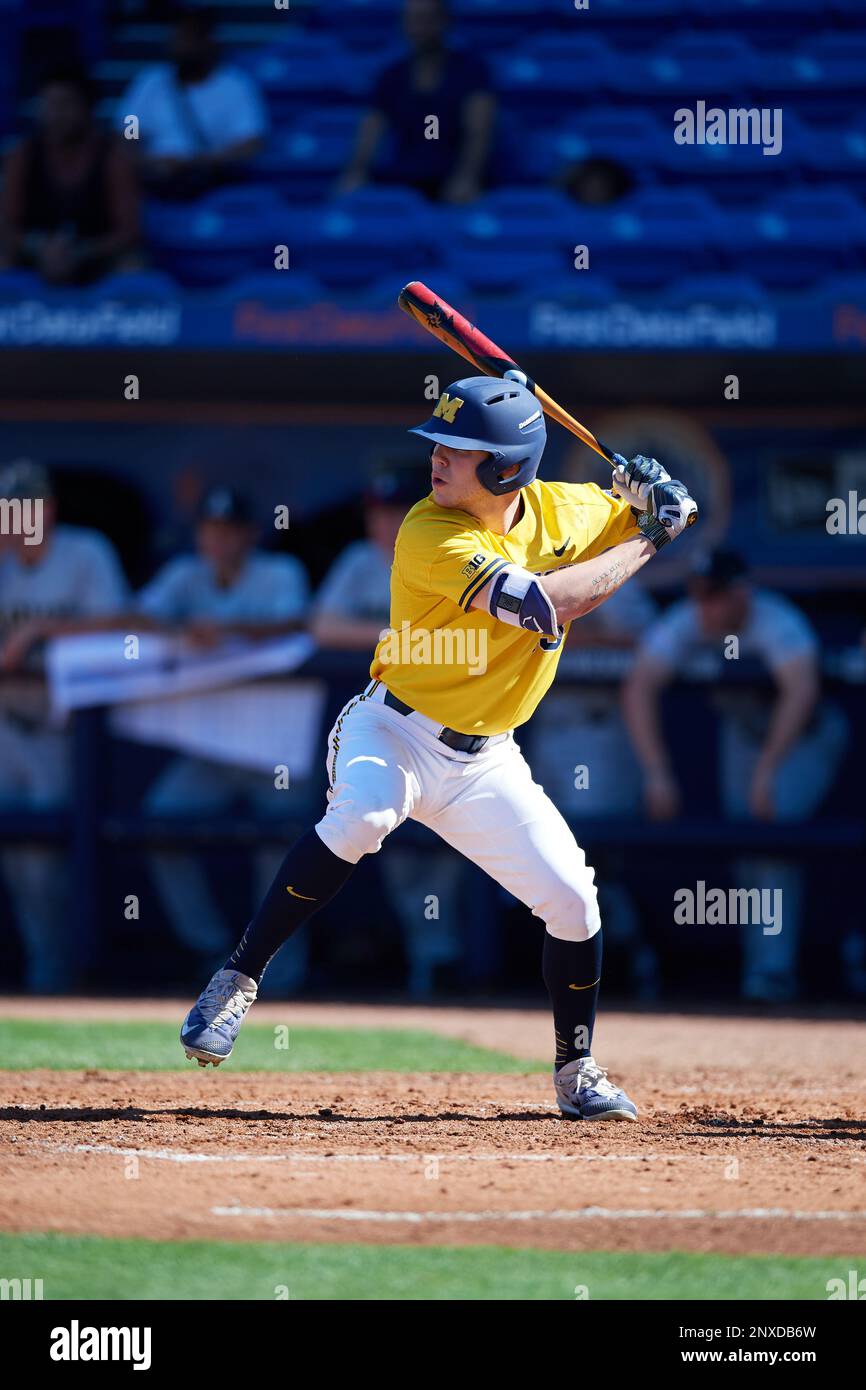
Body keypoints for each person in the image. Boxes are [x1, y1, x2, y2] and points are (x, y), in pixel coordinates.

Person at [178, 382, 698, 1121]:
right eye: (440, 443)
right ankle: (237, 978)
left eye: (461, 449)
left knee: (574, 904)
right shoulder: (429, 532)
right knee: (364, 818)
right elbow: (550, 604)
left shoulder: (570, 511)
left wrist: (655, 499)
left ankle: (575, 1071)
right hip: (394, 728)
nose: (439, 458)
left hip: (486, 758)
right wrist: (654, 534)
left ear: (508, 471)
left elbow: (653, 514)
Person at [622, 548, 847, 1003]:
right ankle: (757, 967)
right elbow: (639, 685)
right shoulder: (689, 618)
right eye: (700, 594)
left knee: (770, 840)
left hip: (804, 737)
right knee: (745, 852)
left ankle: (774, 973)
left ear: (741, 591)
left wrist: (767, 772)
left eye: (716, 595)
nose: (706, 605)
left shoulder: (776, 620)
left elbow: (801, 690)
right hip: (744, 735)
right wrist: (657, 773)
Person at [135, 486, 311, 989]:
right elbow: (135, 616)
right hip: (212, 747)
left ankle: (280, 972)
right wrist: (181, 631)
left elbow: (301, 623)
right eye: (211, 529)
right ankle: (209, 948)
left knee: (288, 851)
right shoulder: (185, 575)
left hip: (274, 749)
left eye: (230, 530)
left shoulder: (281, 573)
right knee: (160, 823)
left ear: (250, 535)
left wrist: (229, 630)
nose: (220, 539)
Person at [313, 466, 466, 996]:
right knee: (385, 841)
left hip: (449, 724)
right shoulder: (360, 562)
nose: (384, 523)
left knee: (451, 845)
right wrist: (395, 639)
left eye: (394, 511)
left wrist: (397, 641)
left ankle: (448, 959)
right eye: (376, 513)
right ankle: (430, 962)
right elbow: (323, 626)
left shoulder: (447, 545)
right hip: (384, 723)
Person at [0, 460, 128, 991]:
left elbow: (124, 621)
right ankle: (41, 967)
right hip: (7, 722)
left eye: (26, 505)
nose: (15, 518)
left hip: (66, 729)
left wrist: (37, 631)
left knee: (49, 856)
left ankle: (62, 974)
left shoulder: (85, 551)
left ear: (48, 509)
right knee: (18, 851)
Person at [336, 0, 496, 203]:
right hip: (404, 179)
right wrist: (356, 171)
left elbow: (479, 131)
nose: (419, 27)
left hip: (452, 178)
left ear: (444, 22)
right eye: (413, 20)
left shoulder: (472, 71)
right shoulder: (391, 77)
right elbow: (370, 132)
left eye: (427, 19)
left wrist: (467, 177)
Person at [1, 64, 140, 284]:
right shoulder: (22, 157)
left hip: (96, 257)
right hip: (36, 255)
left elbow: (128, 232)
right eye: (48, 105)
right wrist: (39, 247)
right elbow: (7, 226)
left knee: (132, 268)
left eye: (64, 105)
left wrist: (81, 252)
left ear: (88, 108)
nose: (55, 114)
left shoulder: (114, 159)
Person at [118, 6, 267, 197]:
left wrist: (197, 163)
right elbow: (128, 132)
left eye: (189, 38)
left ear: (208, 42)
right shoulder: (150, 82)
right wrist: (146, 162)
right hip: (152, 180)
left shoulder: (235, 85)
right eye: (178, 37)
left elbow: (250, 142)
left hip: (211, 183)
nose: (181, 45)